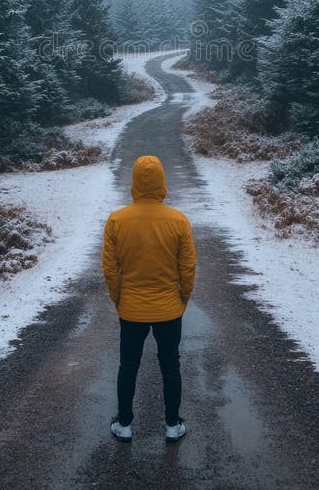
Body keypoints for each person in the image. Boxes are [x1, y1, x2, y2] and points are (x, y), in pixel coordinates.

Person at [102, 154, 196, 443]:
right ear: (161, 182)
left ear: (134, 183)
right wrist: (182, 299)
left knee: (128, 365)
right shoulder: (178, 221)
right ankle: (172, 424)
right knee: (170, 364)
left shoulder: (117, 220)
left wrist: (119, 299)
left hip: (131, 310)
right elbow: (188, 268)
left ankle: (125, 424)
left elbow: (110, 269)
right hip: (169, 309)